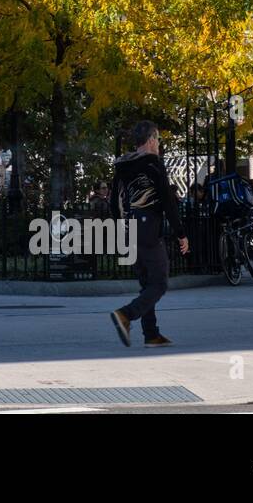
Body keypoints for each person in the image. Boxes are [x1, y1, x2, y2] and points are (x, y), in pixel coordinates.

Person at [110, 120, 187, 348]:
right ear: (152, 139)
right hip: (148, 228)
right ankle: (125, 314)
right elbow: (167, 200)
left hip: (130, 229)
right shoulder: (153, 164)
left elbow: (114, 203)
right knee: (160, 283)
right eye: (158, 140)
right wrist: (181, 233)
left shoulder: (123, 165)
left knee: (147, 284)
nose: (158, 145)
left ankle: (151, 334)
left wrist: (121, 228)